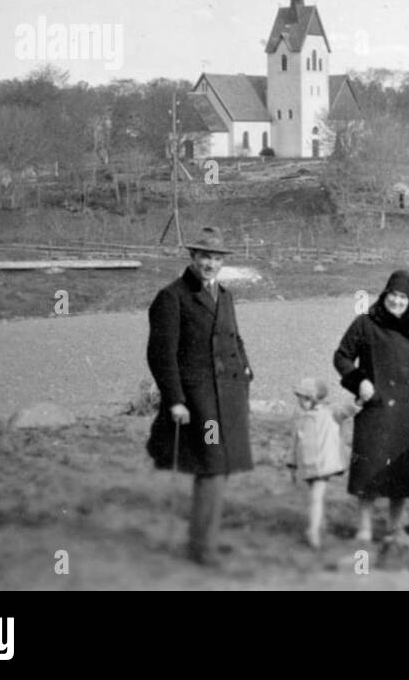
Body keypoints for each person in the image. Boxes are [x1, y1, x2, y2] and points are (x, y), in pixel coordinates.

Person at [146, 226, 254, 567]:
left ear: (223, 262)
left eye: (216, 258)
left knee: (219, 467)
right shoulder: (172, 296)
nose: (210, 263)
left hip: (229, 397)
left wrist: (248, 369)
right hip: (200, 401)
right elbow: (161, 354)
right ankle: (202, 548)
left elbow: (234, 338)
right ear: (193, 257)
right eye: (204, 256)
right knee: (212, 466)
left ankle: (205, 539)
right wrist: (175, 399)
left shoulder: (224, 294)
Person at [333, 269, 409, 543]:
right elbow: (342, 357)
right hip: (376, 408)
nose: (397, 301)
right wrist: (359, 382)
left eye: (403, 297)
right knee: (368, 471)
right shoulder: (365, 323)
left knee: (402, 472)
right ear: (385, 294)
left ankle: (395, 527)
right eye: (393, 295)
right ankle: (365, 528)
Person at [287, 377, 361, 550]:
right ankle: (320, 526)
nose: (301, 402)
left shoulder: (329, 412)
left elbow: (347, 409)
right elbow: (294, 442)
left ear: (314, 398)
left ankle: (313, 531)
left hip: (323, 464)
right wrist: (291, 464)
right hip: (306, 463)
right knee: (314, 496)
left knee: (316, 496)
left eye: (305, 398)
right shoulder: (300, 417)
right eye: (300, 398)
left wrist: (359, 400)